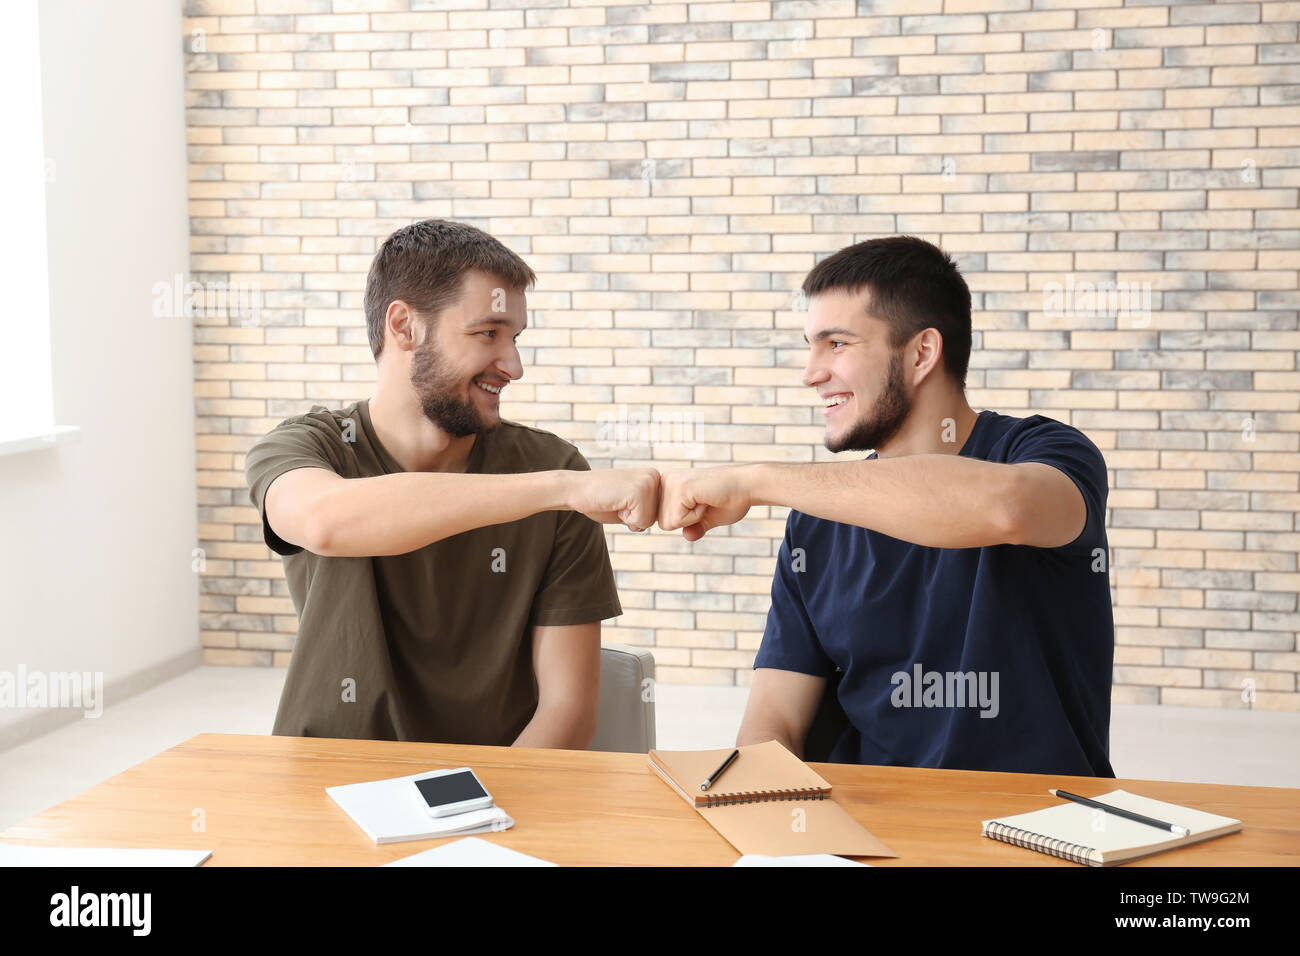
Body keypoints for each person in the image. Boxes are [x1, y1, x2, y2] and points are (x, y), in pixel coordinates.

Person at [657, 235, 1116, 776]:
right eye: (811, 345)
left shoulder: (1047, 454)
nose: (810, 372)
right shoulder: (817, 520)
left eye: (837, 344)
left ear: (921, 352)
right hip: (867, 831)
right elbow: (774, 716)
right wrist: (764, 805)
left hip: (1035, 827)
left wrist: (755, 480)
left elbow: (1006, 509)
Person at [244, 219, 659, 747]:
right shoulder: (307, 449)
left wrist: (477, 812)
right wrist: (561, 491)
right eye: (488, 333)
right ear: (404, 326)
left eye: (515, 338)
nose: (513, 365)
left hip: (498, 795)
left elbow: (568, 711)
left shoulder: (554, 465)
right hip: (326, 785)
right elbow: (327, 520)